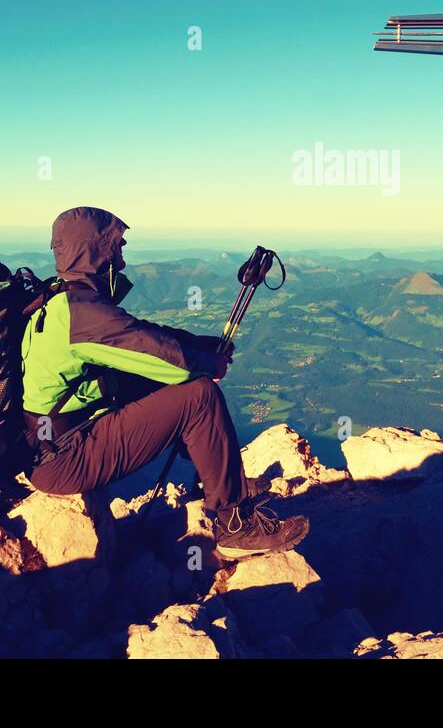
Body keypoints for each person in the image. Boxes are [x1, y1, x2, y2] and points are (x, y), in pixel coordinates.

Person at [20, 206, 308, 560]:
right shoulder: (84, 316)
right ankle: (234, 525)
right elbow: (155, 352)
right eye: (116, 248)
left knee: (162, 383)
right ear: (97, 252)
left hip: (52, 442)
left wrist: (197, 345)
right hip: (65, 458)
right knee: (200, 395)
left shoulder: (62, 302)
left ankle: (217, 478)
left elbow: (138, 334)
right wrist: (206, 363)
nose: (122, 260)